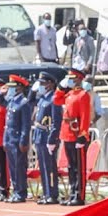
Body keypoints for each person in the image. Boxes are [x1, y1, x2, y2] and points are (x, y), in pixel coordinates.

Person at [58, 69, 92, 206]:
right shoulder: (70, 94)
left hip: (76, 133)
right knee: (71, 167)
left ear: (78, 79)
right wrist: (61, 87)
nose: (69, 80)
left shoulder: (83, 95)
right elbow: (56, 99)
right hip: (67, 133)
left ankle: (79, 195)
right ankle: (72, 193)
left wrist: (83, 135)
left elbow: (85, 116)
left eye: (72, 78)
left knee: (79, 167)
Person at [1, 75, 33, 203]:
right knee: (12, 168)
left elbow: (26, 124)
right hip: (10, 139)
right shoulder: (12, 101)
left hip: (17, 139)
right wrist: (5, 140)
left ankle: (21, 193)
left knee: (19, 168)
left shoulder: (23, 103)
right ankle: (16, 191)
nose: (10, 89)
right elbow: (7, 123)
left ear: (19, 87)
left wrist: (23, 141)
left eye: (12, 87)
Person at [31, 73, 62, 205]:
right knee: (43, 167)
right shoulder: (43, 98)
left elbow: (56, 121)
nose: (41, 86)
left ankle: (52, 194)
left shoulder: (54, 99)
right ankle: (46, 193)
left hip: (47, 135)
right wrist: (32, 91)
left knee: (49, 167)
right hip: (39, 135)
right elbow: (30, 102)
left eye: (43, 84)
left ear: (50, 84)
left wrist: (52, 139)